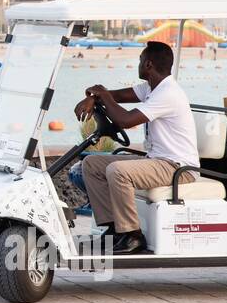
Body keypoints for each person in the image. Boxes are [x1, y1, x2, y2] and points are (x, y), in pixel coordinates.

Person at [73, 41, 200, 254]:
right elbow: (118, 96)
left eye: (140, 60)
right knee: (92, 164)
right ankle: (114, 229)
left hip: (178, 167)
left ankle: (132, 235)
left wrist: (102, 95)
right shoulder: (151, 87)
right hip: (157, 161)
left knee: (118, 171)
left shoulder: (168, 93)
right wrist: (95, 97)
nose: (138, 64)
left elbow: (125, 120)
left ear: (148, 65)